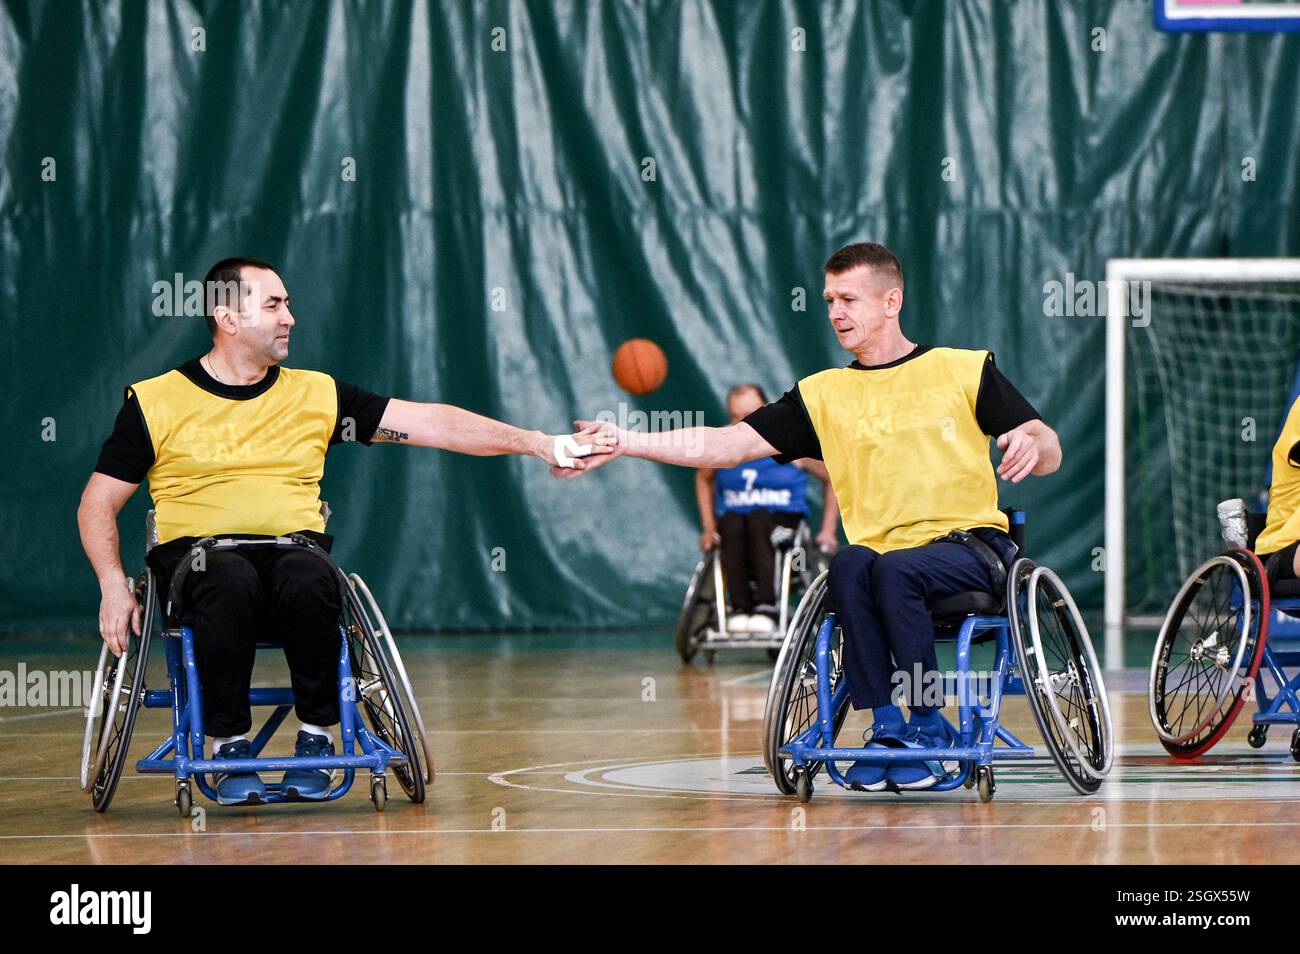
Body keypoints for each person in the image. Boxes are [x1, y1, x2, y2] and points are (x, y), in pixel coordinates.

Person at [77, 257, 609, 805]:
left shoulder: (318, 396)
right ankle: (231, 745)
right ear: (227, 318)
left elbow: (433, 423)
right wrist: (112, 585)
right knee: (228, 578)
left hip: (292, 551)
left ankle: (317, 737)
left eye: (287, 304)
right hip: (202, 560)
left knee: (311, 577)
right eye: (274, 305)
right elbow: (97, 504)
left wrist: (540, 443)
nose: (290, 317)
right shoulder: (157, 400)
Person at [559, 242, 1060, 790]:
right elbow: (724, 445)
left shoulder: (963, 370)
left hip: (970, 548)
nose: (836, 312)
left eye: (849, 298)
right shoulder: (824, 394)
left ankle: (926, 723)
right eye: (828, 300)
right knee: (848, 565)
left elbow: (1048, 445)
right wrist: (627, 441)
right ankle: (888, 725)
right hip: (882, 560)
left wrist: (1032, 440)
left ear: (892, 301)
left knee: (893, 569)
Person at [696, 383, 839, 634]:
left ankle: (766, 606)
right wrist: (708, 528)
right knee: (730, 522)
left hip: (783, 523)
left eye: (749, 414)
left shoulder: (789, 442)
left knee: (758, 517)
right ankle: (740, 608)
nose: (742, 422)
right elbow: (702, 478)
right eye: (735, 416)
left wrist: (828, 530)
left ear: (765, 410)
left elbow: (833, 479)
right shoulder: (726, 444)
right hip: (738, 523)